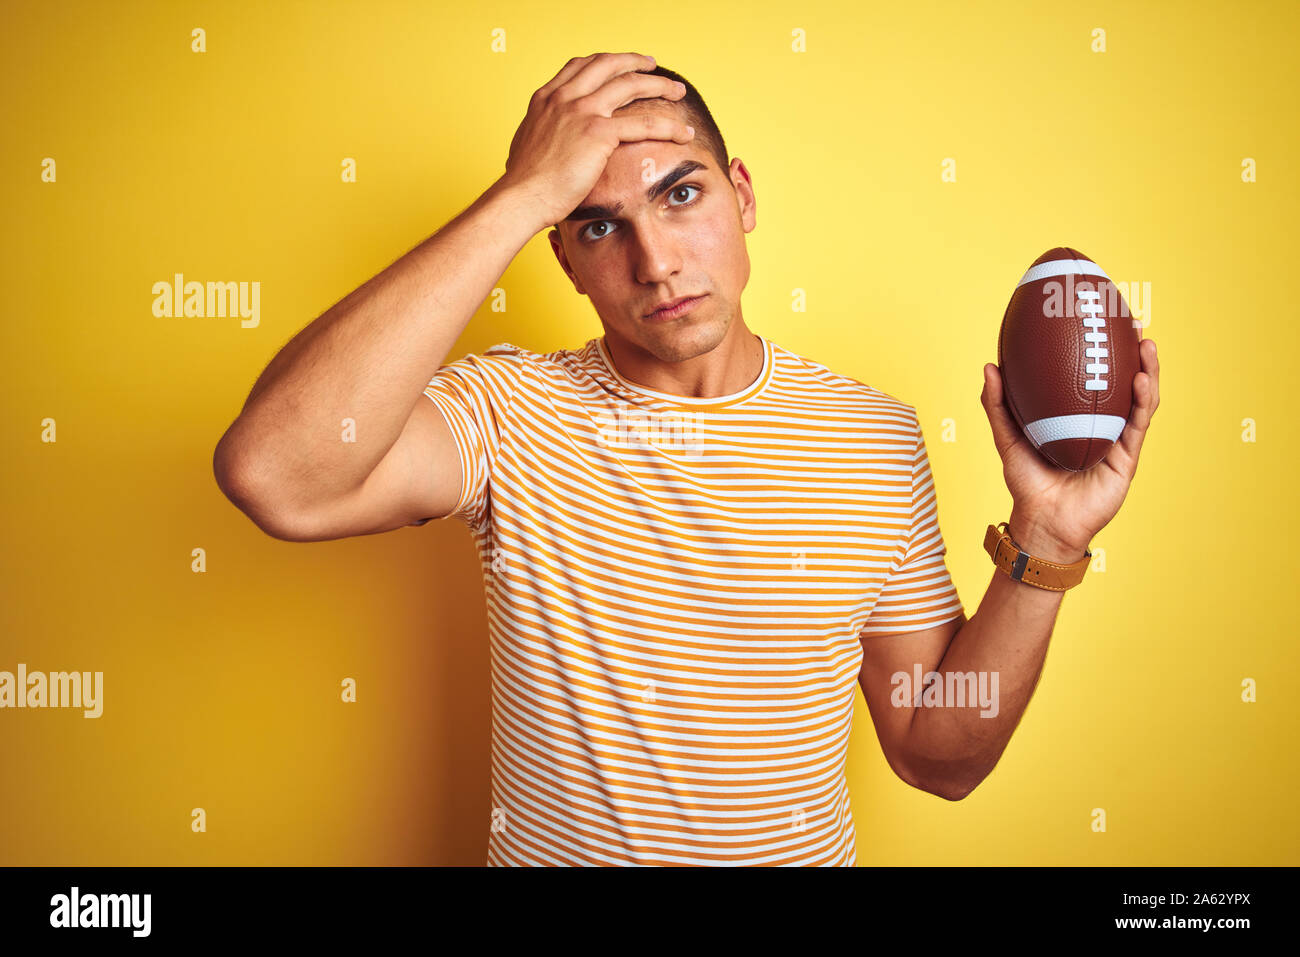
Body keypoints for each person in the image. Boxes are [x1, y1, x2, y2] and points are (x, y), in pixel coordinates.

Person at [213, 52, 1161, 866]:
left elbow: (936, 753)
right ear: (564, 259)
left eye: (680, 192)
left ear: (741, 195)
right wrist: (519, 197)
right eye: (595, 223)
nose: (656, 260)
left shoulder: (873, 436)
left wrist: (1042, 545)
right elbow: (278, 475)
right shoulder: (507, 410)